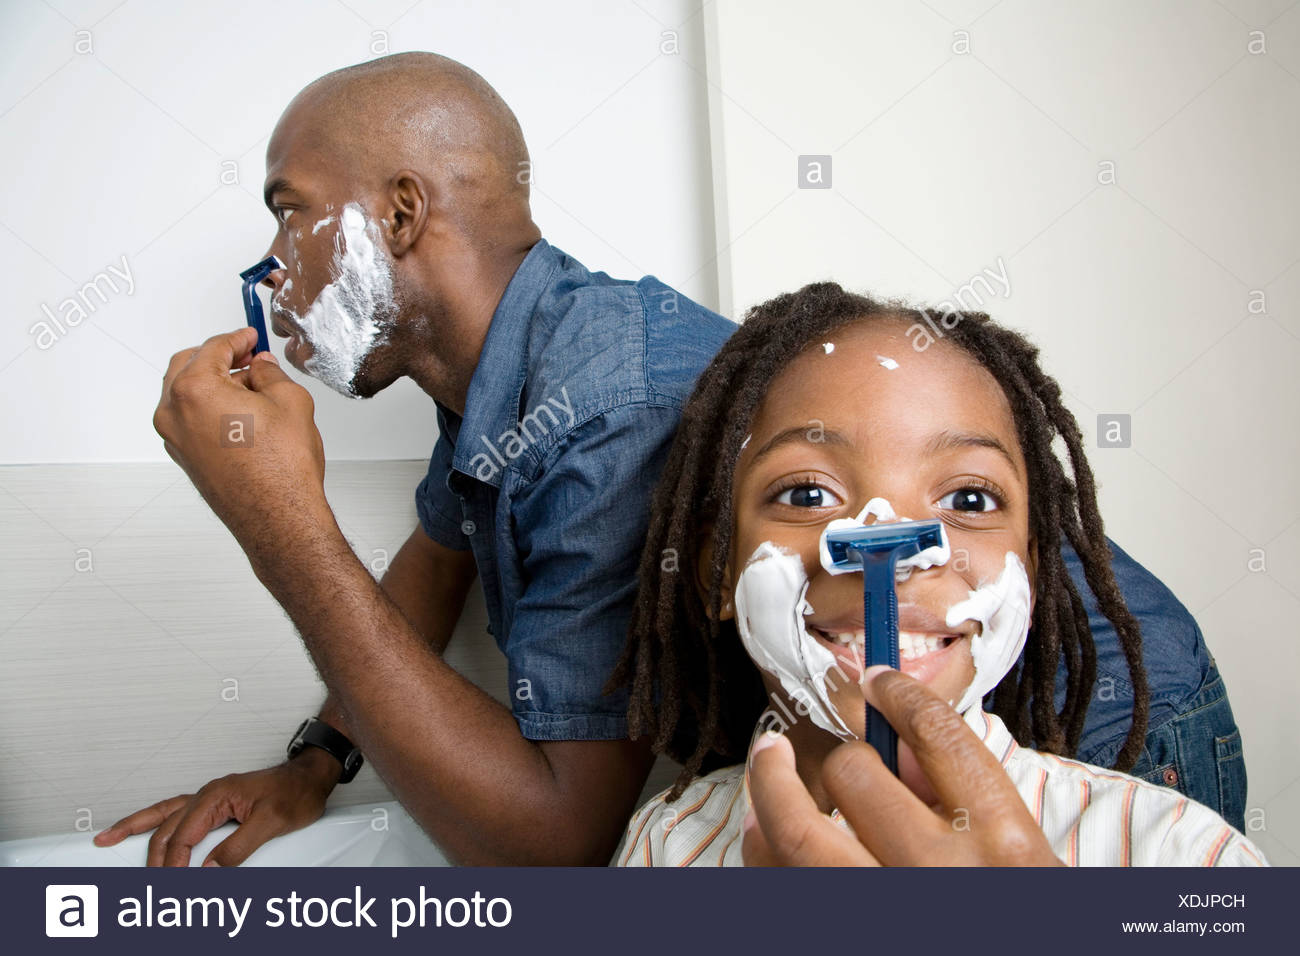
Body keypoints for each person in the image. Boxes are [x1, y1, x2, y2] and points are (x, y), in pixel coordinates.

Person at [95, 50, 1242, 867]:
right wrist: (315, 760)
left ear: (398, 214)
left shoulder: (607, 402)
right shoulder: (505, 371)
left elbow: (550, 847)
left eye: (288, 211)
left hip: (1101, 729)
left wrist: (275, 523)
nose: (272, 261)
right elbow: (435, 561)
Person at [612, 283, 1263, 866]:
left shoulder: (1180, 852)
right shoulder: (663, 849)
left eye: (969, 500)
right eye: (807, 495)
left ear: (1032, 575)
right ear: (716, 572)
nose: (889, 552)